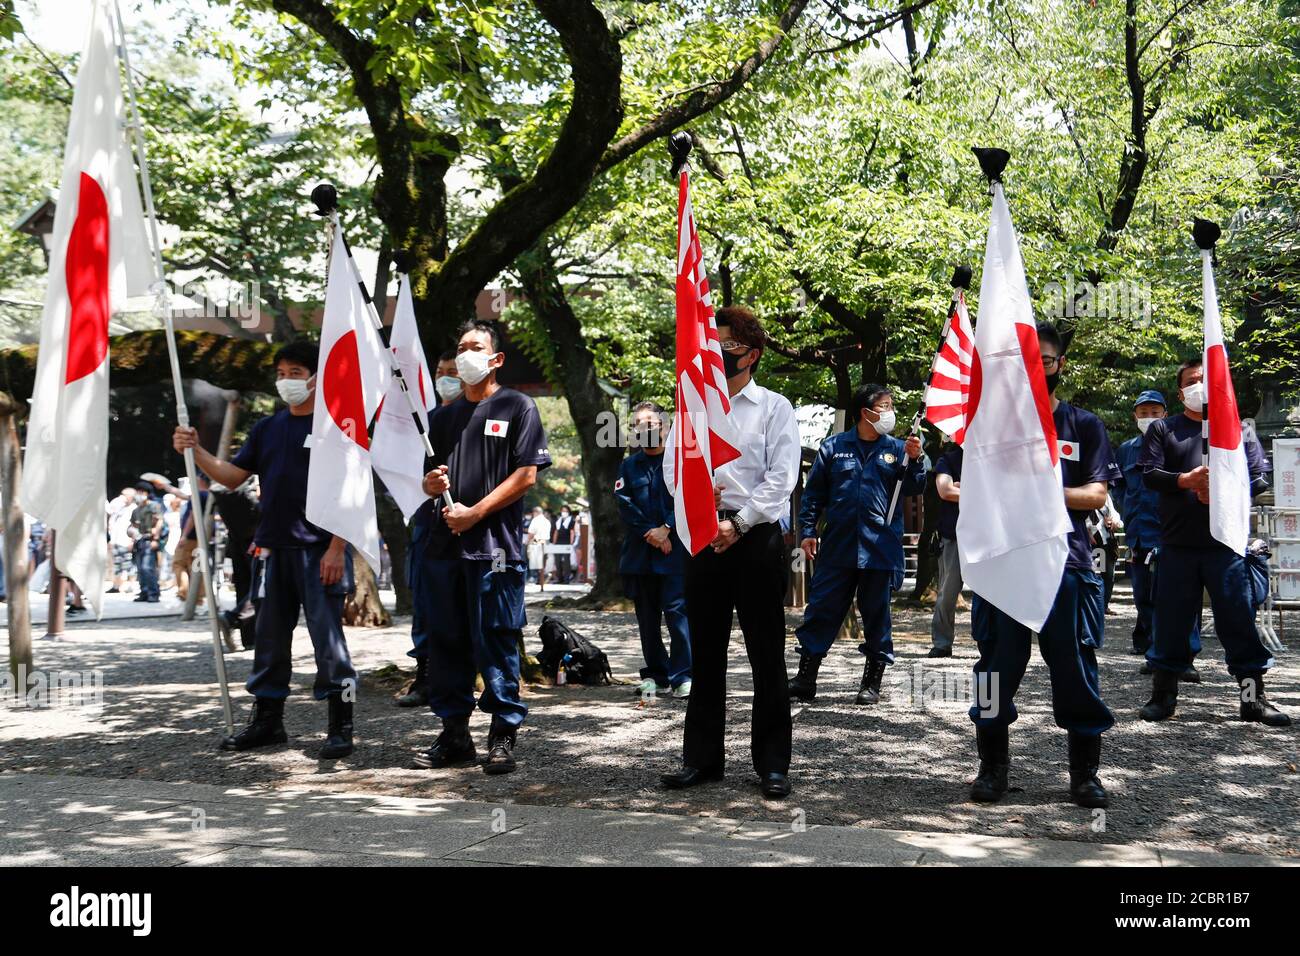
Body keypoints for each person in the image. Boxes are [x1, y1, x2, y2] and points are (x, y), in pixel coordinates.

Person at [173, 339, 359, 758]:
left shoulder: (338, 426)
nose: (286, 381)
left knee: (329, 643)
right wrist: (196, 449)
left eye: (295, 373)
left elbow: (354, 492)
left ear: (316, 377)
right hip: (273, 551)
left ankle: (340, 724)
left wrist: (337, 548)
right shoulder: (268, 428)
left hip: (321, 551)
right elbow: (233, 476)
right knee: (269, 640)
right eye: (280, 373)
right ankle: (267, 722)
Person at [967, 323, 1119, 809]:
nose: (1037, 370)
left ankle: (1084, 774)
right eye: (1026, 362)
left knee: (1075, 667)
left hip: (1066, 565)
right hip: (1005, 563)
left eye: (1046, 361)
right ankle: (992, 768)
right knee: (995, 668)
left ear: (1060, 366)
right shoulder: (992, 429)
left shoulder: (1085, 425)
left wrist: (1040, 492)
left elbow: (1096, 494)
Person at [659, 306, 800, 800]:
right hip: (704, 538)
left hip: (755, 538)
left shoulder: (774, 408)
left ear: (752, 355)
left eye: (727, 348)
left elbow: (782, 479)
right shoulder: (694, 406)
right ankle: (701, 760)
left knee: (767, 654)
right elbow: (674, 470)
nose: (716, 357)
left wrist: (737, 524)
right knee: (707, 652)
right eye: (711, 347)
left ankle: (773, 765)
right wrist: (697, 506)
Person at [414, 319, 551, 775]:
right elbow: (427, 480)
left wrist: (475, 513)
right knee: (446, 641)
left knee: (496, 638)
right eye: (460, 347)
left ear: (496, 359)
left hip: (495, 548)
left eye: (475, 347)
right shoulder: (440, 418)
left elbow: (526, 474)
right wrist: (431, 485)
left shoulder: (518, 406)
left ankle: (502, 734)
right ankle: (454, 733)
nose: (464, 355)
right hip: (443, 548)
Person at [1137, 358, 1290, 727]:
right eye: (1191, 381)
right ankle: (1163, 697)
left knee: (1239, 622)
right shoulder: (1163, 429)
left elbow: (1259, 478)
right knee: (1171, 623)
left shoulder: (1237, 429)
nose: (1199, 386)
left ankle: (1252, 700)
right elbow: (1149, 474)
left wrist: (1224, 493)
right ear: (1180, 391)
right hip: (1177, 545)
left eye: (1205, 380)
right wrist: (1185, 481)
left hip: (1227, 545)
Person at [788, 383, 925, 703]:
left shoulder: (899, 450)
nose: (890, 413)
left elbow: (914, 487)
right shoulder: (833, 448)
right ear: (865, 412)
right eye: (885, 406)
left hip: (880, 547)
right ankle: (806, 679)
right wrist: (807, 531)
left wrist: (916, 461)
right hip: (838, 547)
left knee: (877, 615)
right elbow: (814, 494)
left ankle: (871, 683)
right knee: (822, 610)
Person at [1116, 390, 1203, 681]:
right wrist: (1125, 514)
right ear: (1135, 416)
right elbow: (1119, 487)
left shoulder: (1174, 441)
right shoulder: (1126, 449)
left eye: (1155, 412)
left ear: (1165, 414)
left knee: (1180, 597)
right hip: (1138, 535)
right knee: (1144, 596)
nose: (1149, 418)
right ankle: (1157, 652)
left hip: (1168, 532)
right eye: (1143, 413)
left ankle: (1186, 656)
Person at [397, 350, 464, 709]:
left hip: (469, 526)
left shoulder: (480, 418)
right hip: (428, 524)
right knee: (425, 602)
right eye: (441, 371)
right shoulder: (423, 421)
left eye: (452, 371)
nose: (446, 377)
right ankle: (425, 675)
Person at [616, 401, 691, 700]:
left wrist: (667, 528)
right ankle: (656, 676)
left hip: (675, 552)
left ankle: (683, 674)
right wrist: (651, 533)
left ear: (665, 425)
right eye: (637, 424)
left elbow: (689, 497)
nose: (644, 428)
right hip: (640, 554)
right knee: (647, 618)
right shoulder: (628, 465)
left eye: (650, 422)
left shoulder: (681, 461)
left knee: (677, 613)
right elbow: (624, 502)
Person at [928, 444, 963, 657]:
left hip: (988, 534)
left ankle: (988, 642)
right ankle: (942, 642)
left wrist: (961, 487)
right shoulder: (949, 458)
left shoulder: (994, 455)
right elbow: (945, 491)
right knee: (948, 592)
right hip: (952, 534)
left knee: (989, 593)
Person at [127, 482, 164, 603]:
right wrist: (131, 539)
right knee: (140, 568)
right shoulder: (136, 510)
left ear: (147, 493)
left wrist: (156, 539)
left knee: (147, 567)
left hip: (150, 539)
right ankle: (144, 592)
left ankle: (153, 593)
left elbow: (159, 522)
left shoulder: (153, 506)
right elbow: (133, 526)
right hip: (139, 540)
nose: (139, 494)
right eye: (138, 492)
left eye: (142, 492)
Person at [525, 507, 551, 585]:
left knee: (534, 562)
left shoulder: (535, 520)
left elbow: (531, 533)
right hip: (546, 542)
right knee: (543, 562)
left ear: (536, 512)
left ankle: (535, 577)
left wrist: (527, 541)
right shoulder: (547, 521)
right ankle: (542, 577)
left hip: (536, 542)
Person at [552, 504, 576, 583]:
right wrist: (554, 543)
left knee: (566, 562)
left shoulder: (571, 520)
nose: (564, 512)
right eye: (562, 511)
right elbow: (556, 532)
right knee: (557, 561)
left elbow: (572, 532)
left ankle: (566, 579)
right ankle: (560, 579)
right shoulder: (559, 521)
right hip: (558, 543)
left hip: (566, 543)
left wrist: (571, 543)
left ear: (568, 512)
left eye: (565, 511)